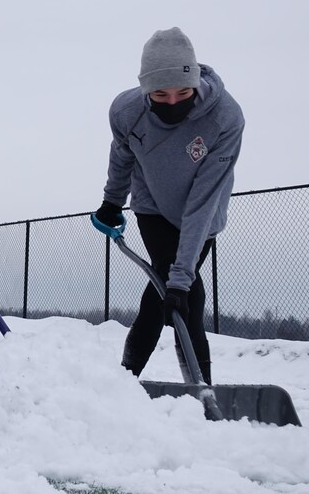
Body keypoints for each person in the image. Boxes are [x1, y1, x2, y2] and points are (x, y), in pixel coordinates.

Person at [92, 27, 244, 385]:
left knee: (175, 293)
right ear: (145, 89)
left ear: (195, 83)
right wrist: (112, 201)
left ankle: (128, 381)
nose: (172, 102)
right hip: (152, 206)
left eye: (183, 93)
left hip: (203, 215)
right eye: (160, 94)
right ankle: (198, 392)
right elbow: (122, 155)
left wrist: (180, 280)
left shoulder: (225, 118)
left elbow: (202, 202)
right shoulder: (126, 111)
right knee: (174, 289)